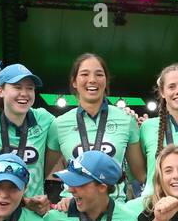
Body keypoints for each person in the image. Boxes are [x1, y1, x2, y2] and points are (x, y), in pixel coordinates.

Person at [51, 53, 145, 201]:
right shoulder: (59, 124)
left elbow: (140, 174)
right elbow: (40, 171)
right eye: (84, 74)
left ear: (106, 81)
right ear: (74, 82)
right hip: (73, 206)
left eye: (99, 74)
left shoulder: (126, 120)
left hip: (114, 207)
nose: (92, 80)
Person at [0, 63, 58, 206]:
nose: (24, 93)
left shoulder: (45, 119)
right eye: (17, 87)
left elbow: (50, 162)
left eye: (30, 88)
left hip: (33, 210)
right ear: (0, 91)